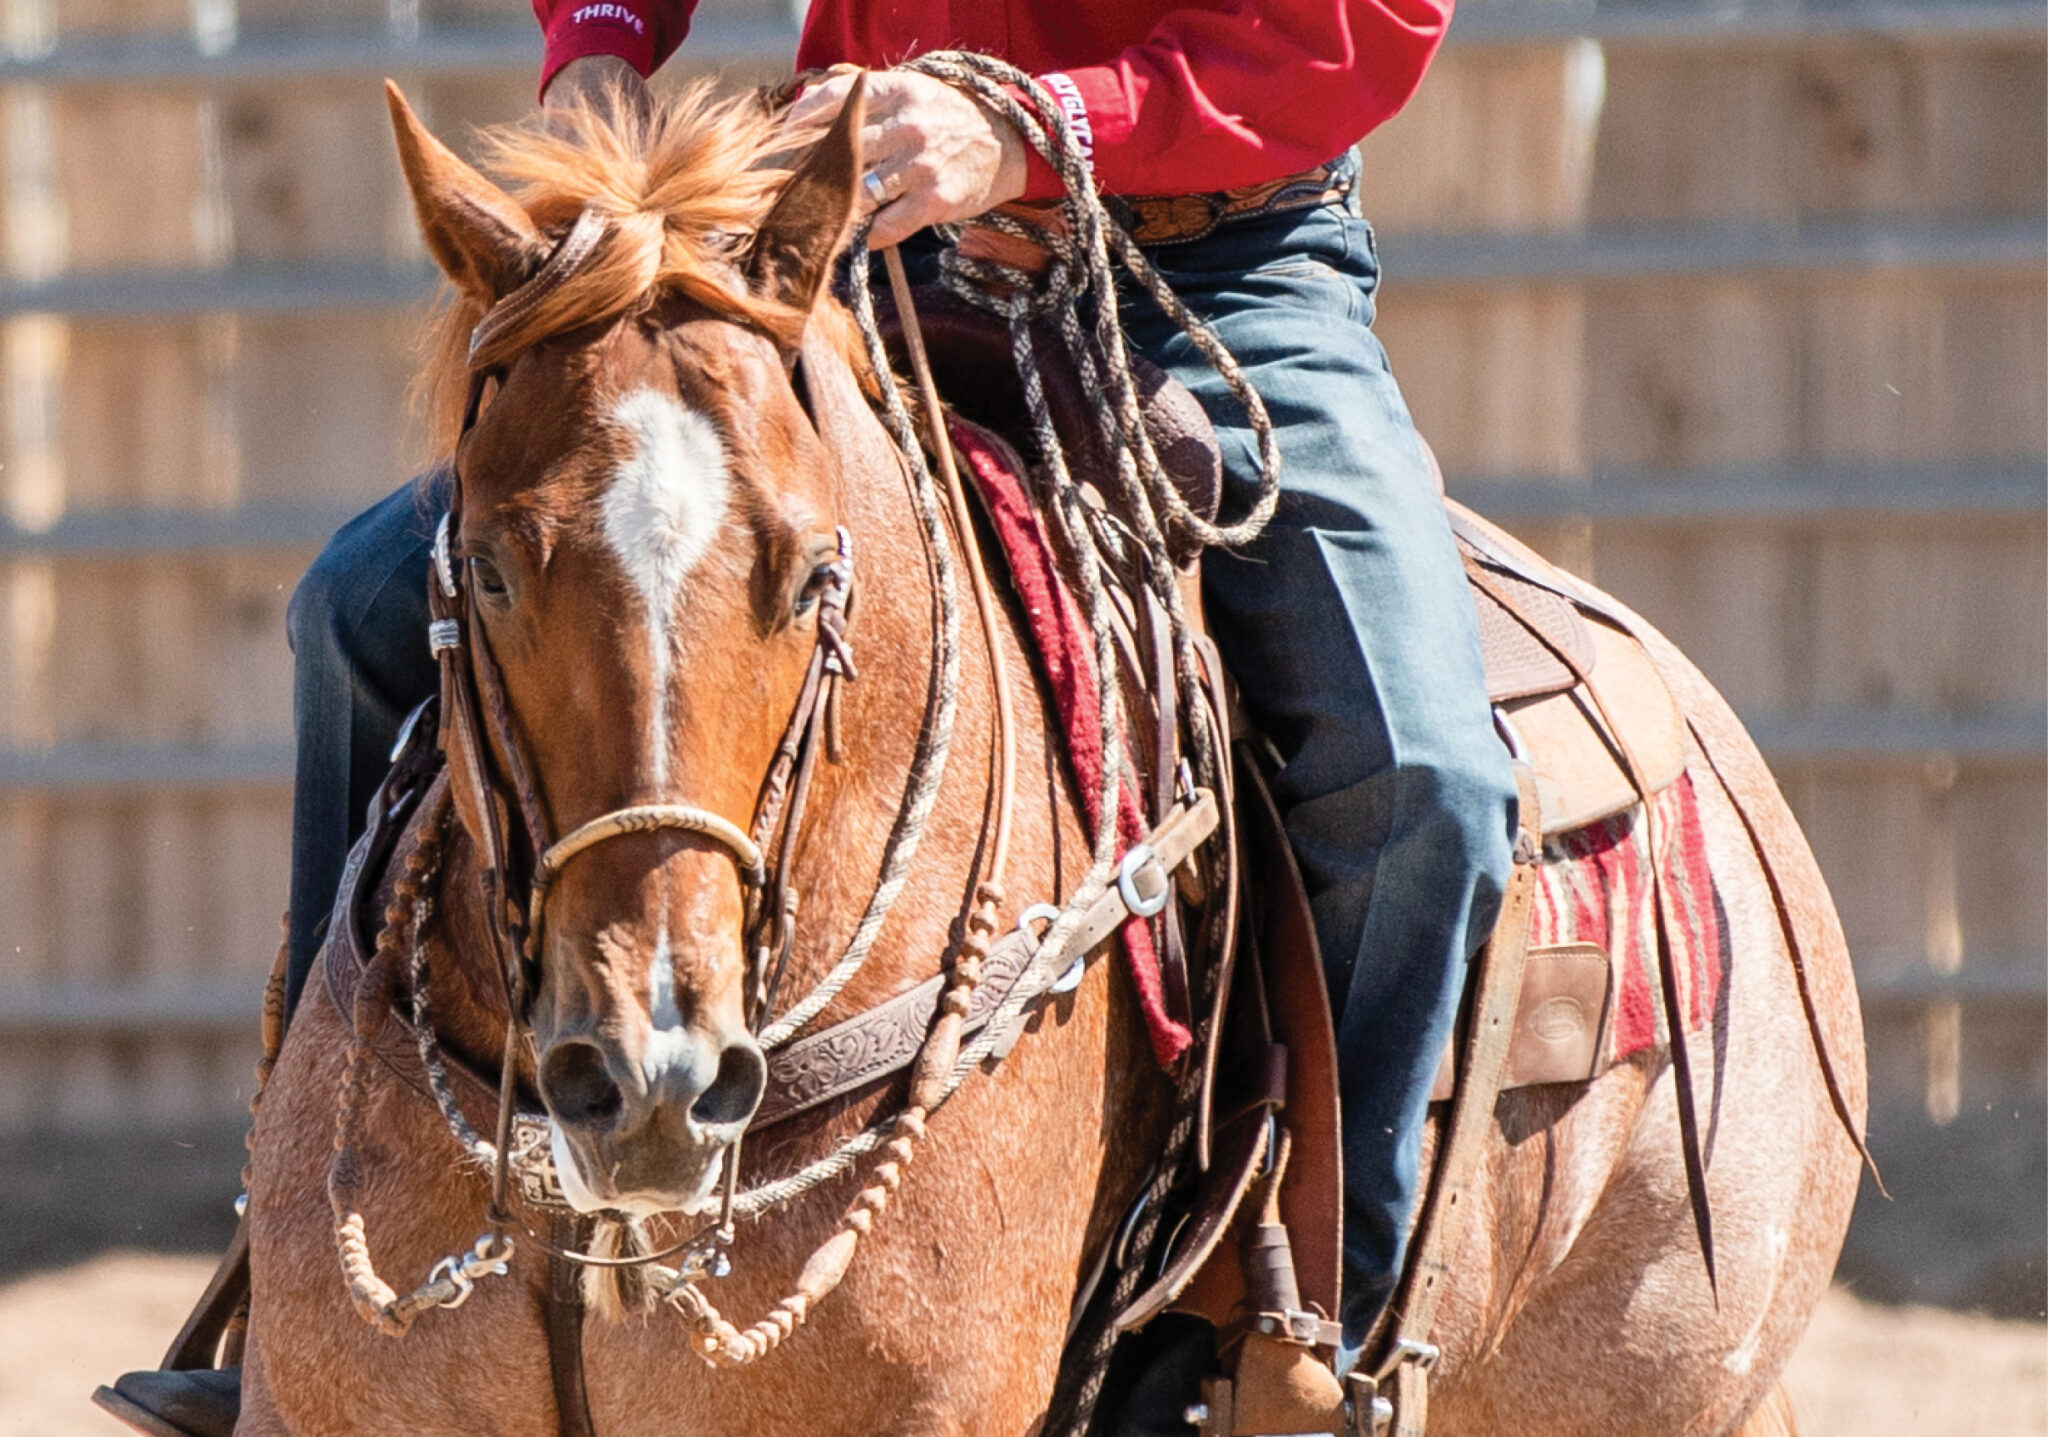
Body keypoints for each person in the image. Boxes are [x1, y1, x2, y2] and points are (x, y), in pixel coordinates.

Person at [128, 0, 1516, 1427]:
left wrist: (1050, 126)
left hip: (1209, 269)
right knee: (357, 618)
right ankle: (290, 1255)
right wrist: (599, 36)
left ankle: (1314, 1324)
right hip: (850, 249)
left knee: (1418, 776)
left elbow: (1361, 27)